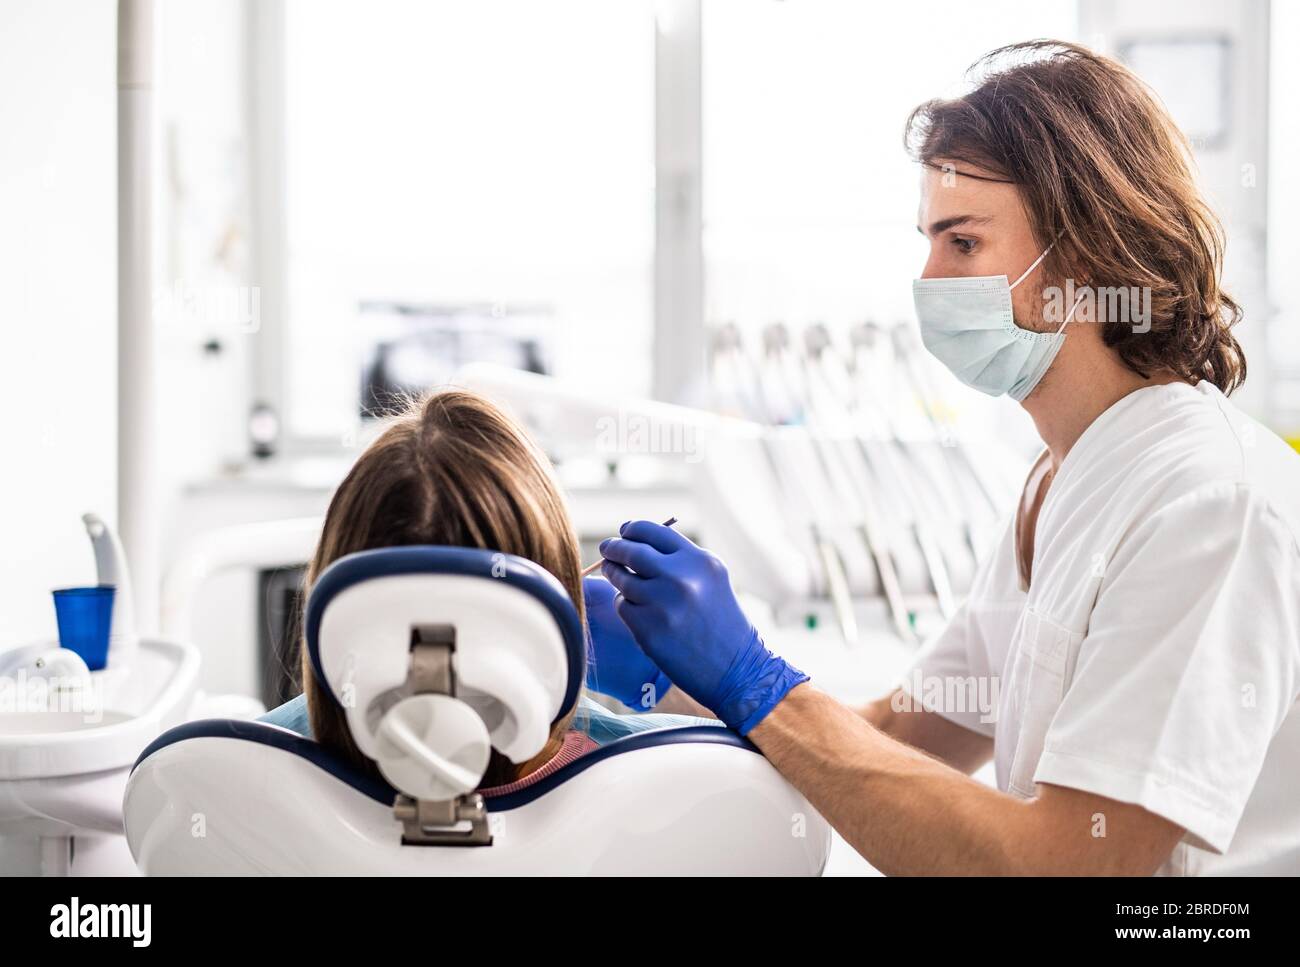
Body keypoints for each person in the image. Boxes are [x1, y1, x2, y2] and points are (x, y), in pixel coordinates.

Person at [591, 41, 1300, 875]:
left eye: (961, 243)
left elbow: (1067, 866)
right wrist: (683, 675)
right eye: (929, 240)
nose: (928, 277)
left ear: (1082, 255)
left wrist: (754, 679)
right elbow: (896, 737)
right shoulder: (1063, 478)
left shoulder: (1206, 502)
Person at [259, 390, 717, 797]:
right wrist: (675, 683)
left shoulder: (242, 764)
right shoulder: (667, 770)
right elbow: (772, 782)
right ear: (558, 601)